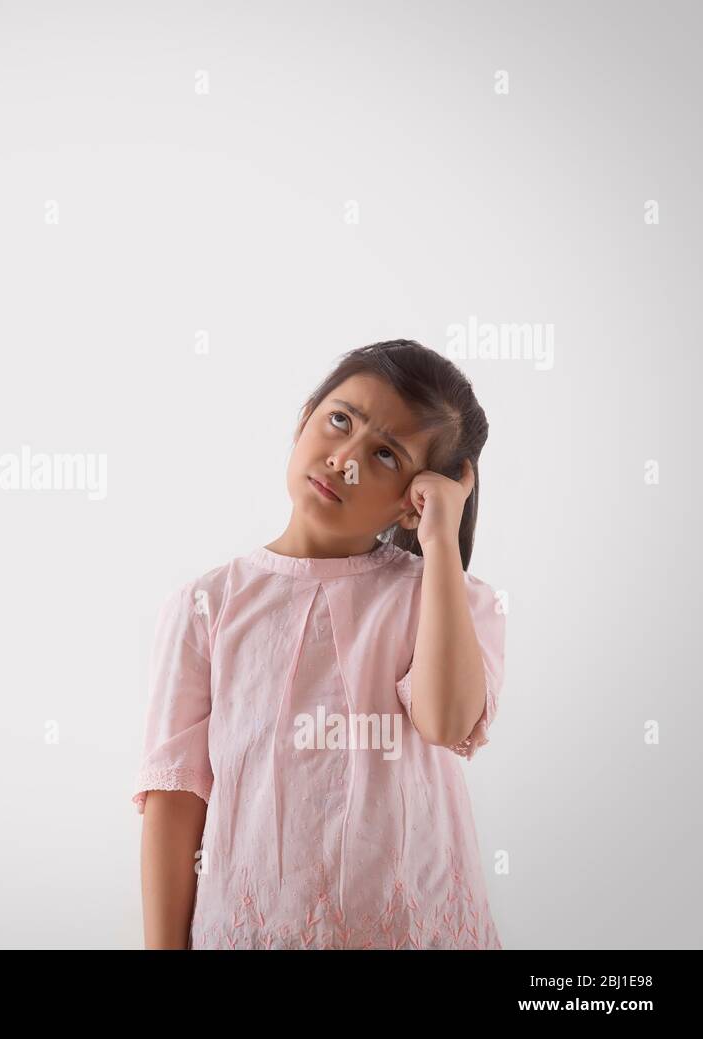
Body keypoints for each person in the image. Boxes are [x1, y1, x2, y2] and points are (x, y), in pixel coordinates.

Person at [134, 339, 507, 950]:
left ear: (416, 499)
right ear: (305, 414)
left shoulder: (447, 601)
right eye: (341, 420)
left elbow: (446, 722)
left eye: (386, 454)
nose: (345, 460)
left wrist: (441, 543)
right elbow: (175, 799)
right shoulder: (208, 605)